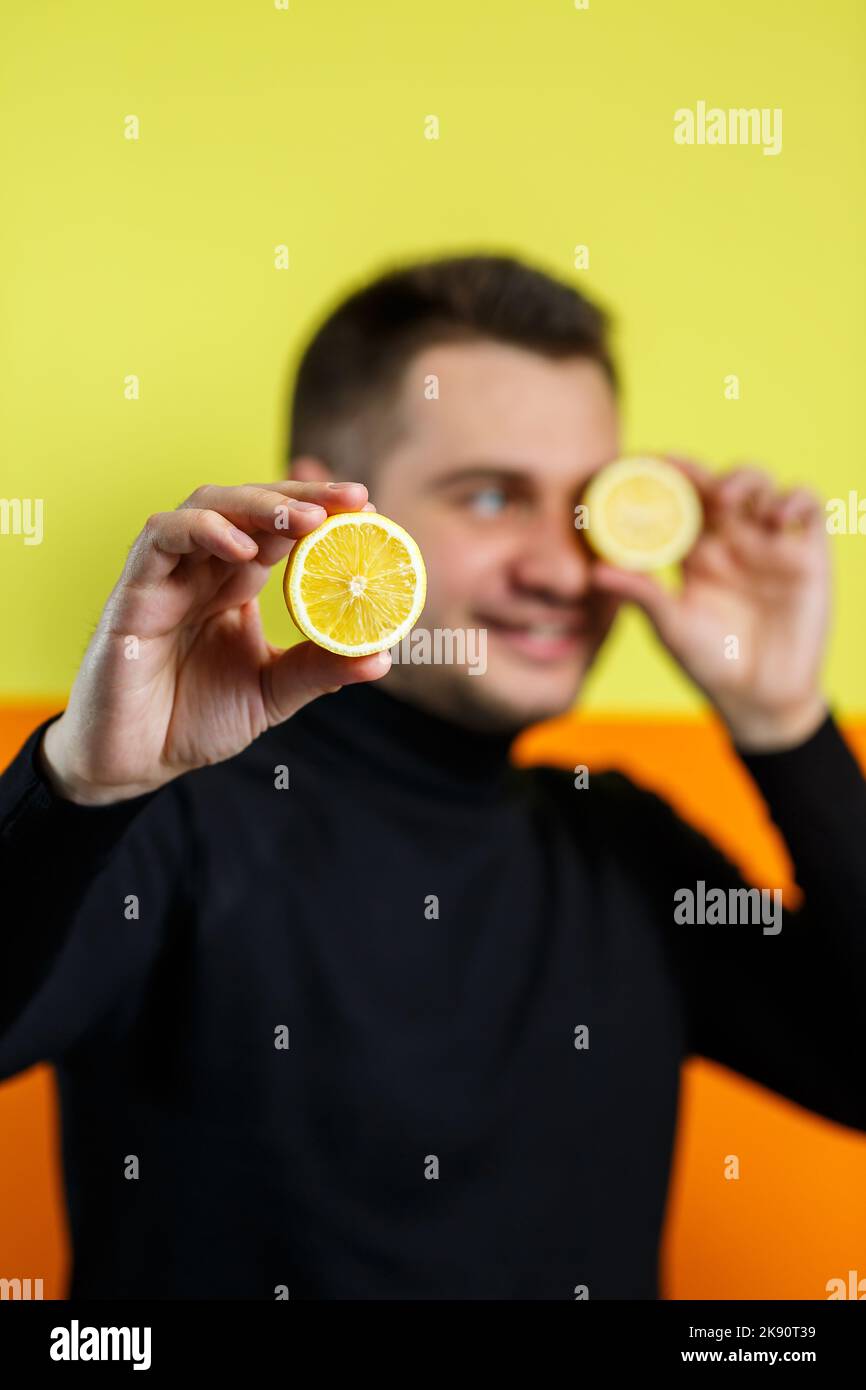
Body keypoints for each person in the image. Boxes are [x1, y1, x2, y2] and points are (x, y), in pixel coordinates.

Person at [1, 255, 864, 1300]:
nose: (559, 566)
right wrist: (78, 787)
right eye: (492, 495)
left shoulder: (620, 844)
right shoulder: (165, 818)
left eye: (588, 505)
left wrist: (784, 723)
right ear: (328, 511)